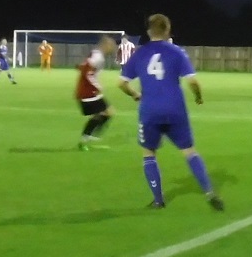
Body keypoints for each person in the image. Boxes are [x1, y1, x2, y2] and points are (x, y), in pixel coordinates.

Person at [118, 14, 223, 211]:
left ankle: (158, 200)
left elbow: (121, 83)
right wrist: (198, 97)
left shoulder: (139, 54)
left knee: (149, 153)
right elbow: (192, 81)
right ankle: (209, 192)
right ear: (167, 30)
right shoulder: (176, 52)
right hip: (175, 109)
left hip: (150, 110)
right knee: (189, 151)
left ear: (148, 31)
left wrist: (135, 95)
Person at [76, 35, 117, 149]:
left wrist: (80, 67)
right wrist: (98, 86)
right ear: (106, 45)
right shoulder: (97, 56)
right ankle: (87, 137)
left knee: (105, 113)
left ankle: (88, 136)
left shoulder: (96, 54)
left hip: (88, 92)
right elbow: (87, 73)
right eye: (111, 46)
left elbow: (85, 67)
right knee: (107, 112)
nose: (113, 48)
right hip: (87, 92)